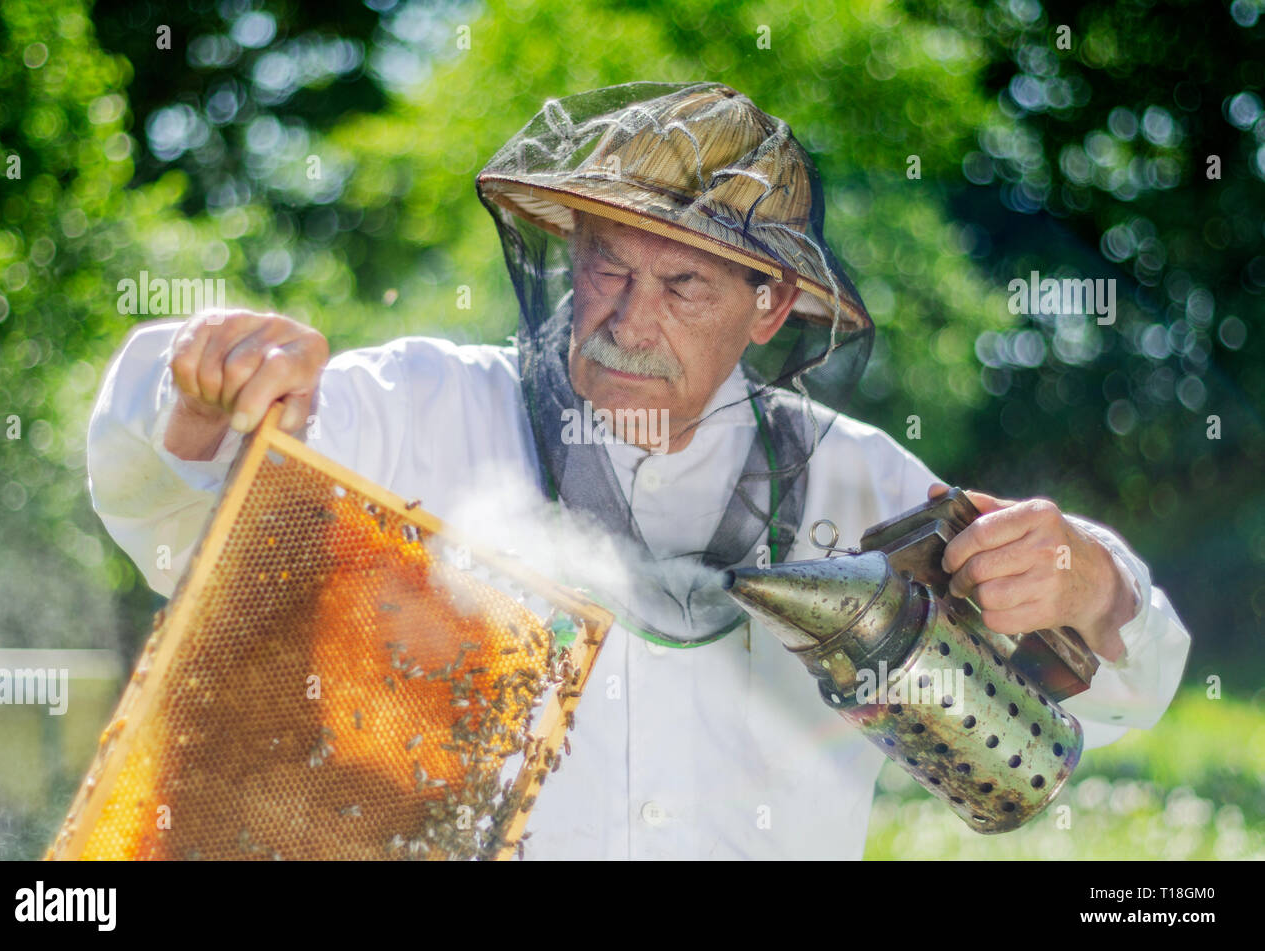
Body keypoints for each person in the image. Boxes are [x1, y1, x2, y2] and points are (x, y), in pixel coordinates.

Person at [86, 82, 1191, 859]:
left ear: (770, 311)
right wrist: (194, 384)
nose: (624, 320)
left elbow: (1118, 700)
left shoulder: (862, 489)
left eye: (684, 289)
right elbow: (180, 520)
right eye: (606, 265)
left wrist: (1094, 581)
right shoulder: (419, 407)